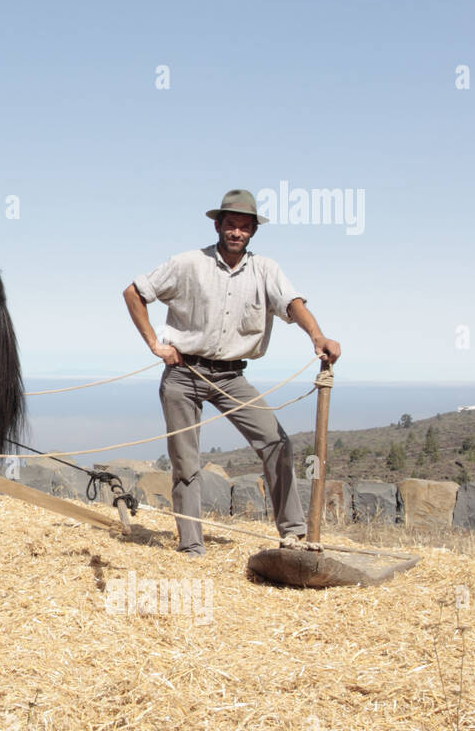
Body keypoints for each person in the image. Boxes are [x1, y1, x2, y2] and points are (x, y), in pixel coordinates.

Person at [121, 189, 341, 555]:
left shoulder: (265, 269)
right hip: (183, 373)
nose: (237, 232)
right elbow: (133, 292)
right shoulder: (188, 263)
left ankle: (294, 534)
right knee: (185, 462)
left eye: (244, 226)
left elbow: (292, 303)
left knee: (276, 443)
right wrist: (155, 345)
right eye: (231, 224)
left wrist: (317, 336)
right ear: (218, 225)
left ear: (253, 231)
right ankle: (192, 546)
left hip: (232, 377)